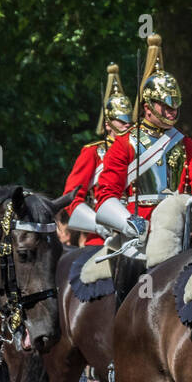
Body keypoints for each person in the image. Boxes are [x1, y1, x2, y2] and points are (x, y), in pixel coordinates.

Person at [93, 34, 192, 299]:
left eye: (174, 106)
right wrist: (128, 221)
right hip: (139, 230)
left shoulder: (184, 143)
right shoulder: (125, 144)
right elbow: (106, 193)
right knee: (131, 271)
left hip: (179, 226)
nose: (171, 112)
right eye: (164, 106)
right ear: (147, 106)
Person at [63, 63, 133, 246]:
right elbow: (71, 198)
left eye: (129, 120)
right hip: (102, 237)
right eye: (121, 120)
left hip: (137, 229)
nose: (127, 124)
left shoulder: (139, 150)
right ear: (108, 124)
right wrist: (96, 224)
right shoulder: (93, 152)